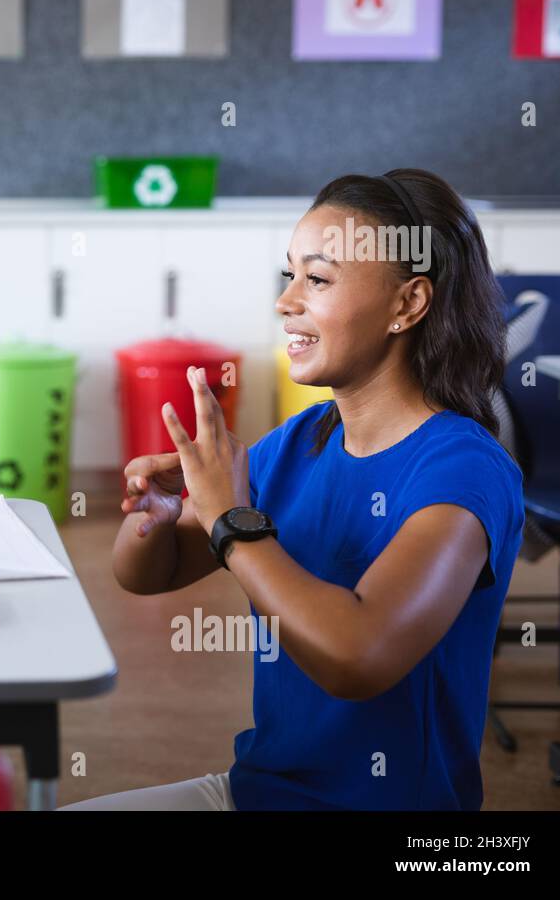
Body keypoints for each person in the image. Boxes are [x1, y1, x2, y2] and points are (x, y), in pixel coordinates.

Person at [70, 169, 524, 810]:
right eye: (289, 276)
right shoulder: (303, 440)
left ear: (408, 304)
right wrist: (161, 513)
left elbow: (359, 657)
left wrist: (229, 519)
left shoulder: (462, 471)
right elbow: (149, 573)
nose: (286, 302)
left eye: (318, 279)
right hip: (257, 792)